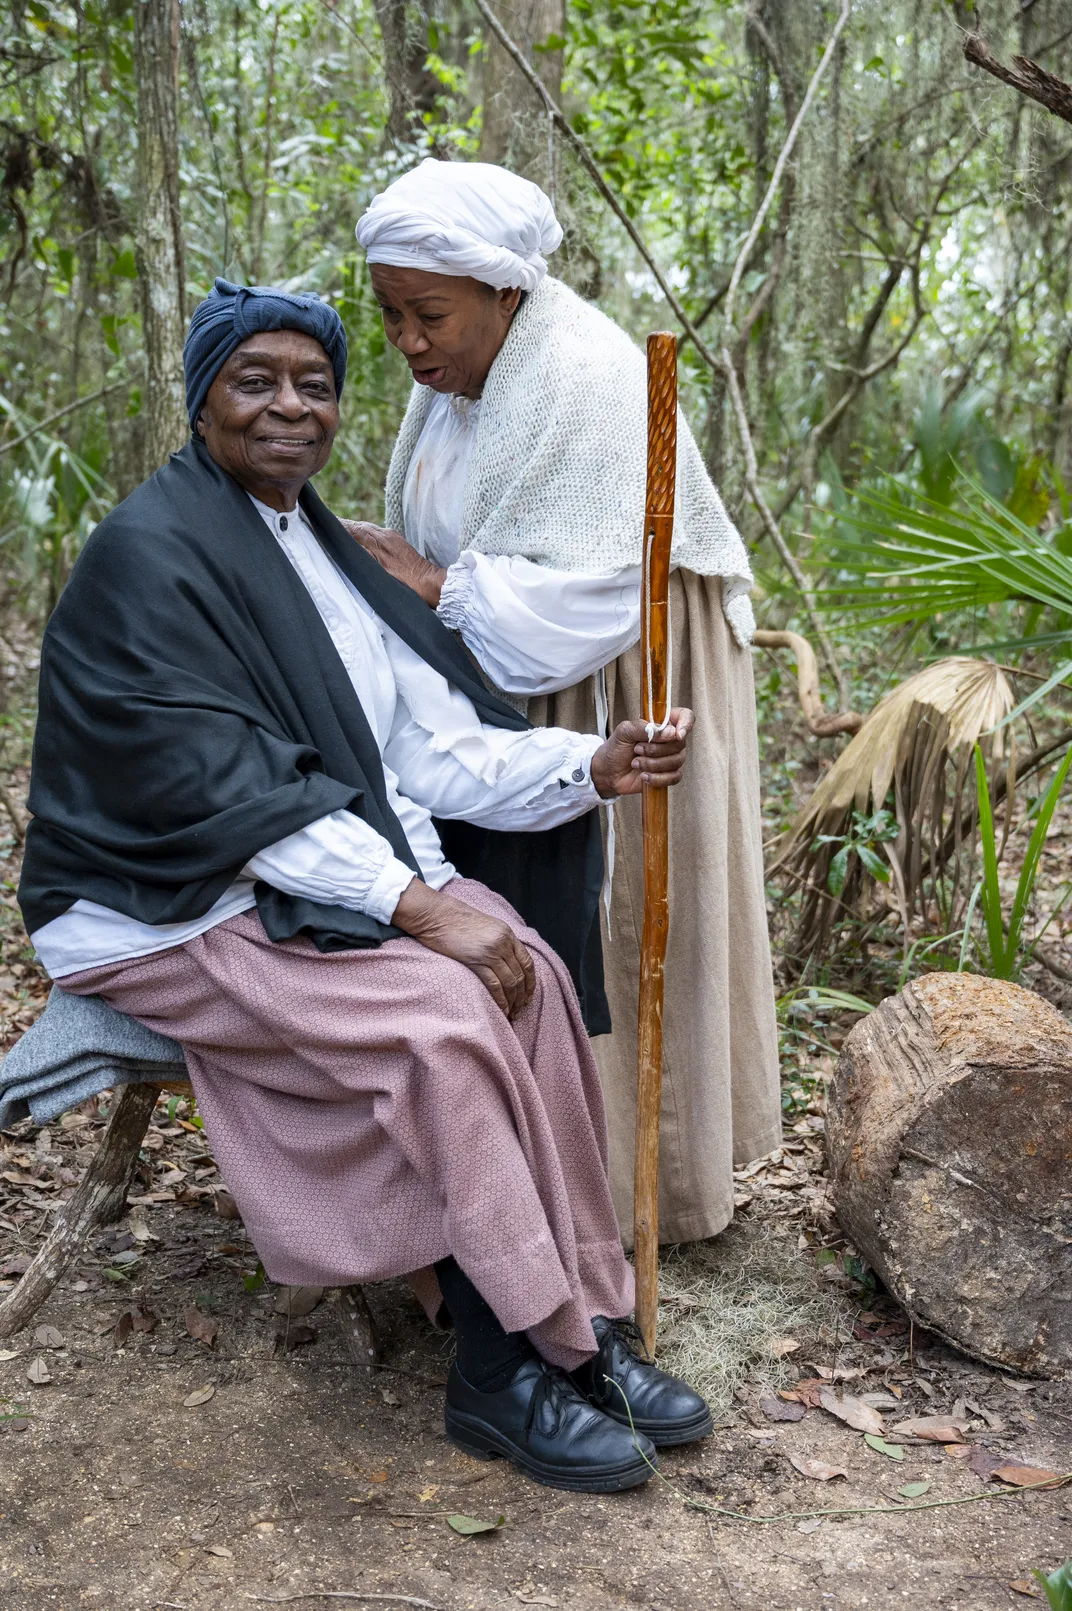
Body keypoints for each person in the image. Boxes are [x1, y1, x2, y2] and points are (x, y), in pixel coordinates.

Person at [18, 278, 712, 1494]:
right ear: (203, 401)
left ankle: (585, 1329)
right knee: (444, 1017)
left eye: (316, 385)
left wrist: (590, 764)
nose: (291, 408)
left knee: (530, 973)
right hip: (167, 906)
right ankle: (501, 1374)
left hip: (316, 878)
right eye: (256, 382)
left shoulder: (314, 545)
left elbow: (425, 744)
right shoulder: (151, 557)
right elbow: (222, 793)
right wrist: (418, 908)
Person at [350, 159, 782, 1249]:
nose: (407, 340)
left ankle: (627, 1197)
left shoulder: (585, 377)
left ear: (503, 293)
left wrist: (438, 587)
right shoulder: (460, 380)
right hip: (501, 678)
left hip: (612, 679)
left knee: (611, 922)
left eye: (427, 313)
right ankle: (508, 1177)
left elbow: (601, 594)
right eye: (390, 312)